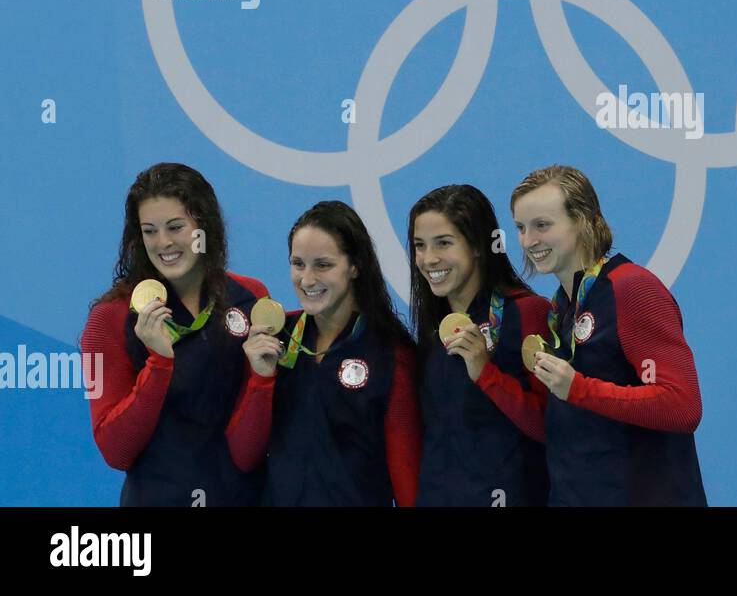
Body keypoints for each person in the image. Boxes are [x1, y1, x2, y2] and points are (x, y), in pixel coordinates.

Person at [510, 165, 707, 506]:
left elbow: (683, 407)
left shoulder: (631, 288)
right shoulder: (560, 308)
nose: (529, 241)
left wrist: (580, 389)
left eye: (542, 225)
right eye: (520, 228)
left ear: (582, 220)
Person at [81, 162, 269, 506]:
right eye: (149, 230)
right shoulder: (107, 320)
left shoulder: (251, 298)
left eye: (175, 227)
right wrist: (159, 365)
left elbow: (251, 448)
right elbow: (115, 451)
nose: (163, 242)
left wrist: (263, 379)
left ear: (204, 227)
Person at [226, 200, 420, 506]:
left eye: (323, 265)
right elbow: (243, 455)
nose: (307, 279)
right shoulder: (275, 337)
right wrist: (260, 381)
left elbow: (407, 479)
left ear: (355, 265)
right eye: (298, 263)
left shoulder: (391, 355)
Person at [410, 184, 550, 506]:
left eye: (443, 243)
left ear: (476, 245)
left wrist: (487, 373)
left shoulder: (527, 312)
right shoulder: (432, 329)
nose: (429, 259)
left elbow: (550, 426)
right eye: (420, 245)